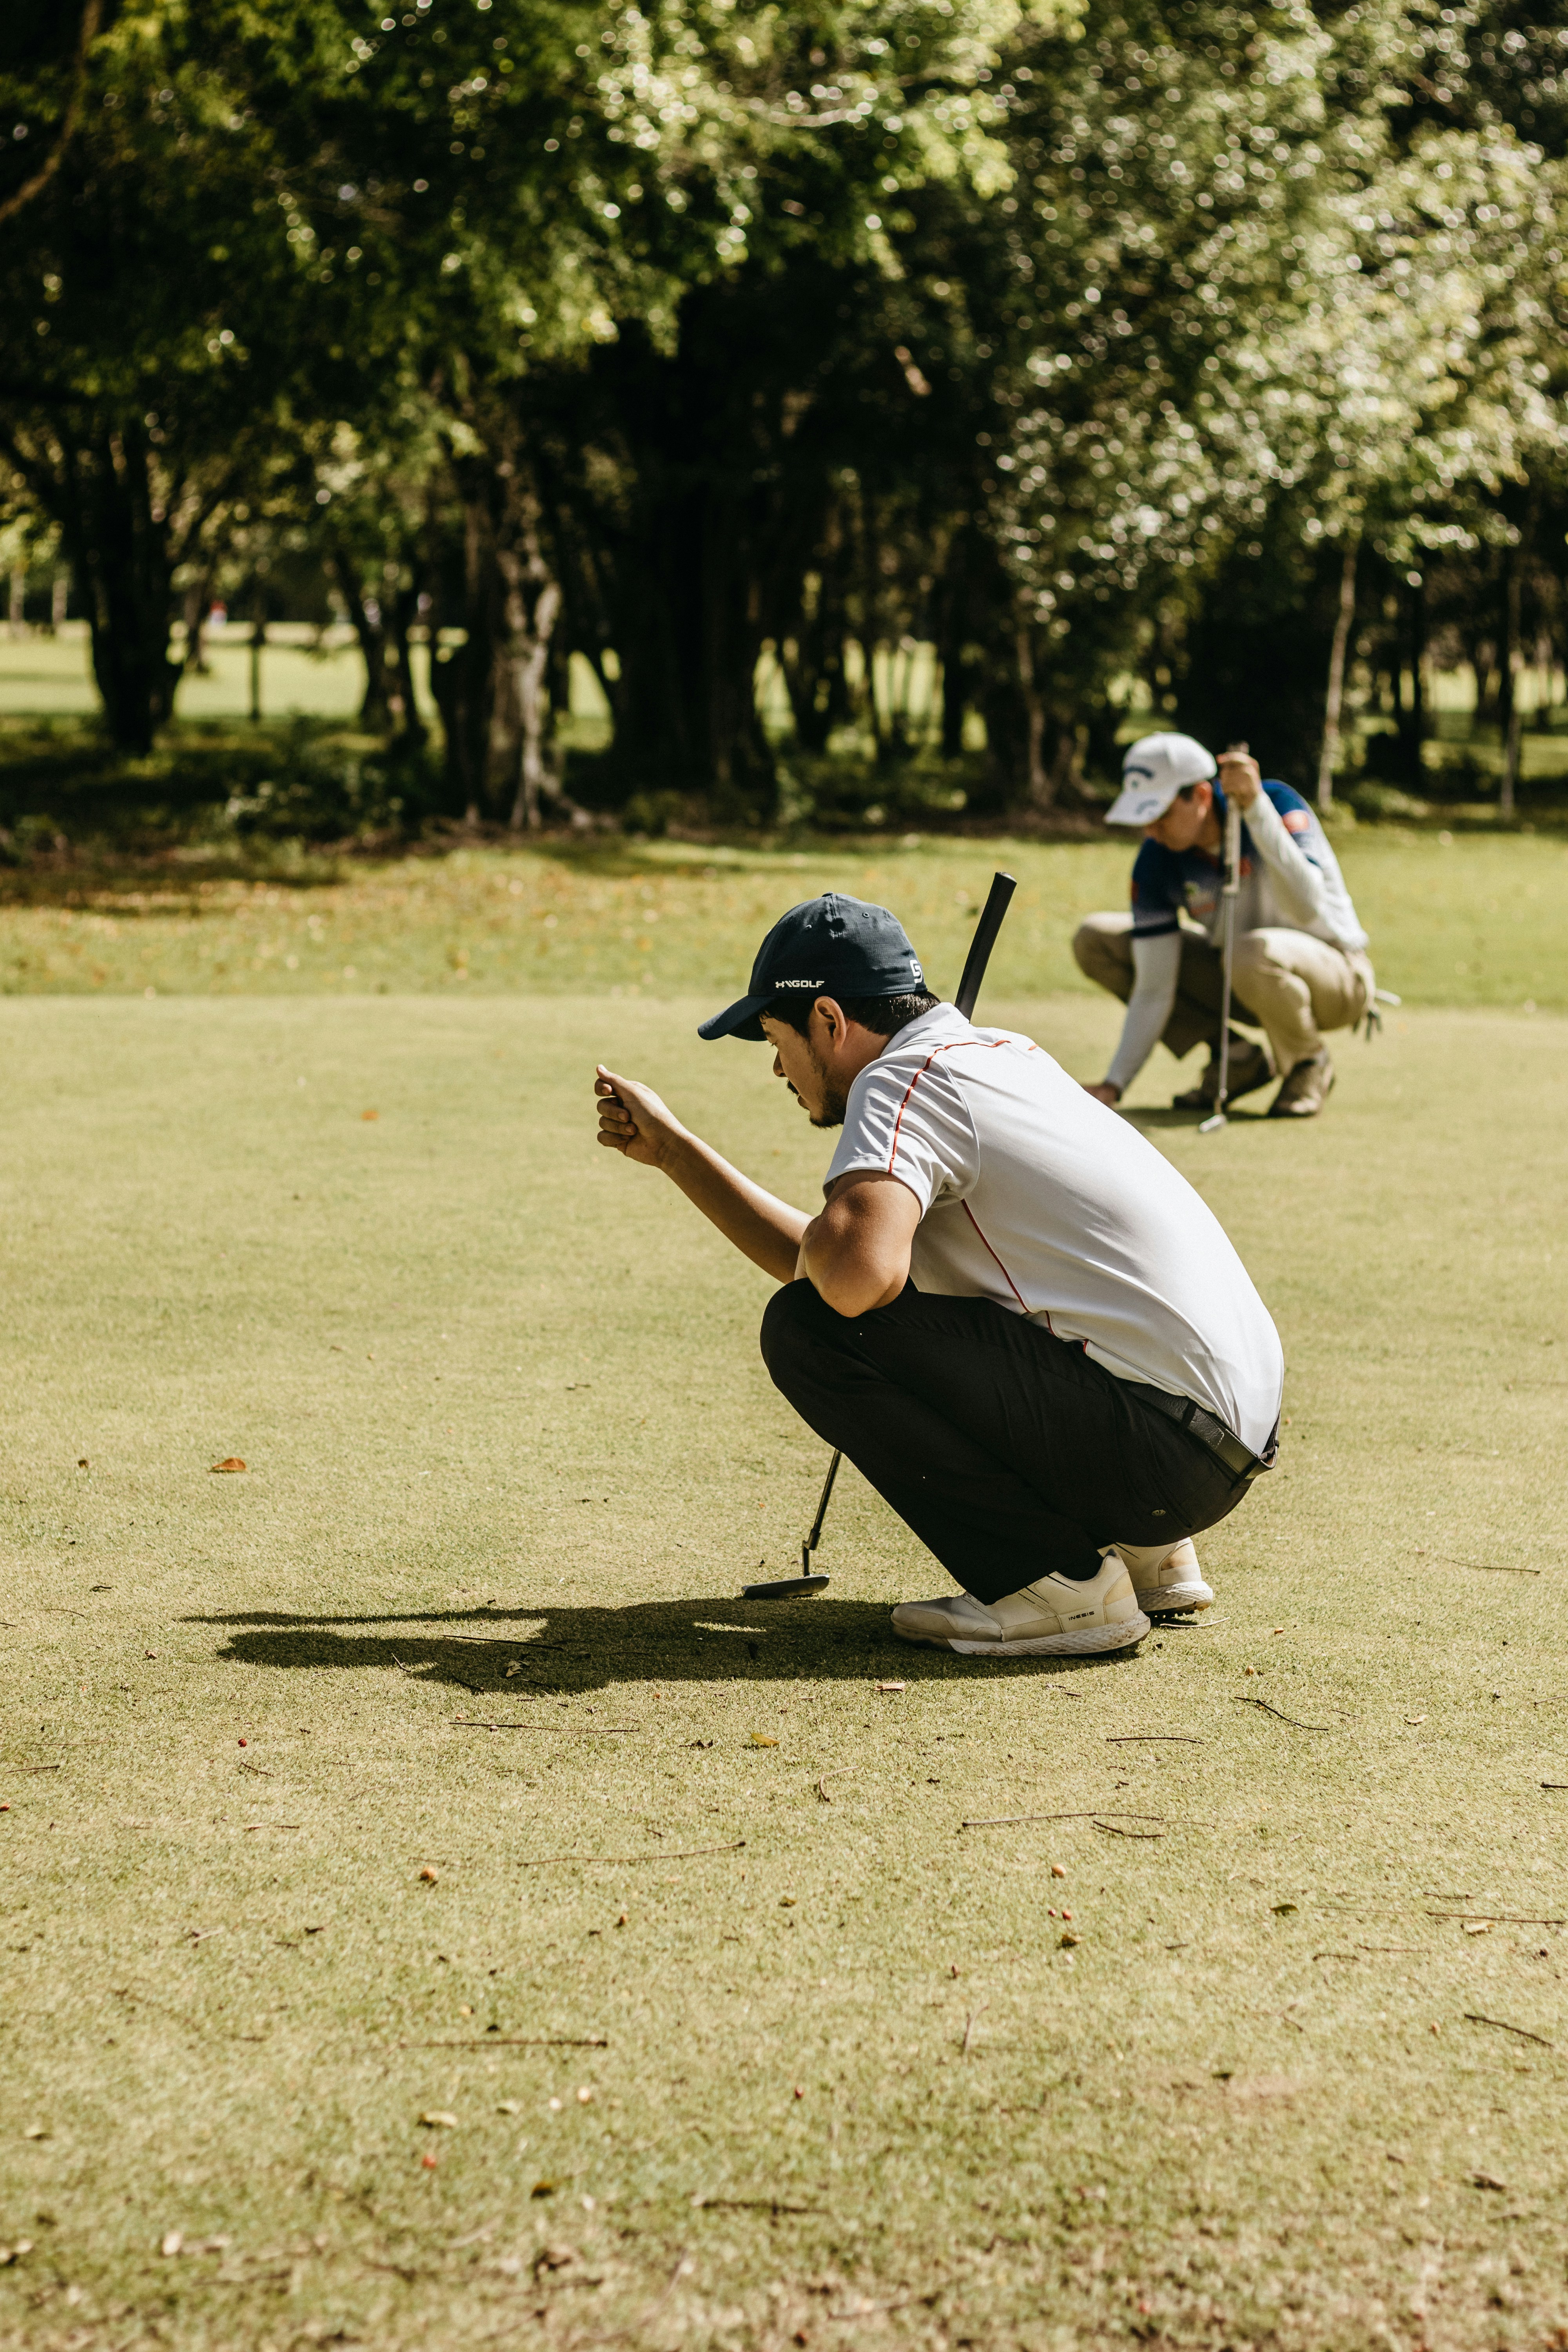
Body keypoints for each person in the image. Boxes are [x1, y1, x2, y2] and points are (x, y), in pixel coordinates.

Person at [593, 893, 1284, 1658]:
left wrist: (839, 1213)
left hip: (1153, 1458)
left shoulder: (899, 1079)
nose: (774, 1066)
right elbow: (832, 1264)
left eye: (773, 1036)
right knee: (873, 1304)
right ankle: (1143, 1556)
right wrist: (675, 1154)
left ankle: (1056, 1591)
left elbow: (847, 1285)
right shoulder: (1008, 1055)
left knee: (805, 1333)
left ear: (827, 1020)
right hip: (1213, 1455)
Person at [1073, 733, 1375, 1119]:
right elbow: (1154, 988)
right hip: (1242, 977)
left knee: (1249, 951)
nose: (1151, 831)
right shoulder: (1157, 860)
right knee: (1096, 939)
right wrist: (1115, 1084)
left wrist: (1255, 811)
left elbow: (1305, 907)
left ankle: (1308, 1063)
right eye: (1143, 818)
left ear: (1200, 795)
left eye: (1160, 815)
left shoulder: (1277, 805)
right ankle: (1237, 1058)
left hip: (1338, 977)